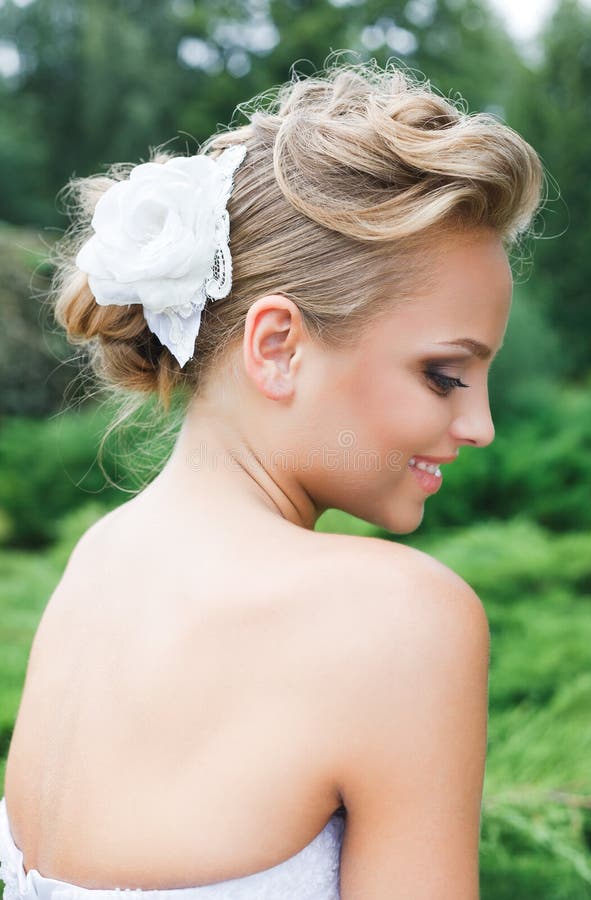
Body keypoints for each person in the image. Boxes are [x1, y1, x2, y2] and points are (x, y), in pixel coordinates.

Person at [0, 60, 544, 900]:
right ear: (277, 346)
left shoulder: (97, 568)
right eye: (444, 374)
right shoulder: (401, 620)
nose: (480, 426)